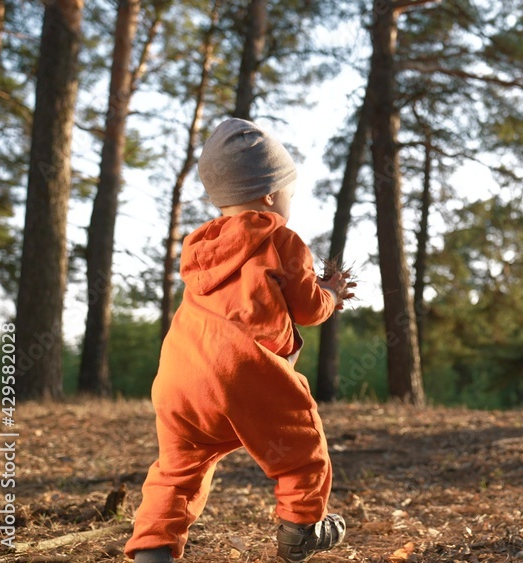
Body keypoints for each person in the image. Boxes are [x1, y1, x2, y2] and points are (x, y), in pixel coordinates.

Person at [125, 118, 355, 563]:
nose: (290, 199)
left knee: (177, 469)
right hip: (243, 370)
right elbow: (308, 309)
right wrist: (331, 291)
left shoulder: (201, 247)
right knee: (300, 446)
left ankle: (153, 549)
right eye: (289, 188)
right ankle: (302, 526)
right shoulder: (281, 239)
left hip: (180, 375)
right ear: (269, 194)